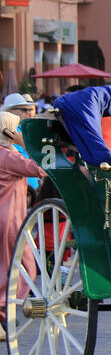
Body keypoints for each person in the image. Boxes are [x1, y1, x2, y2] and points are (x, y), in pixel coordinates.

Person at [0, 117, 45, 322]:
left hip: (8, 216)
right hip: (11, 219)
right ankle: (4, 308)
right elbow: (41, 167)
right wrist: (23, 142)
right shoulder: (8, 156)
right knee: (22, 266)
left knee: (9, 264)